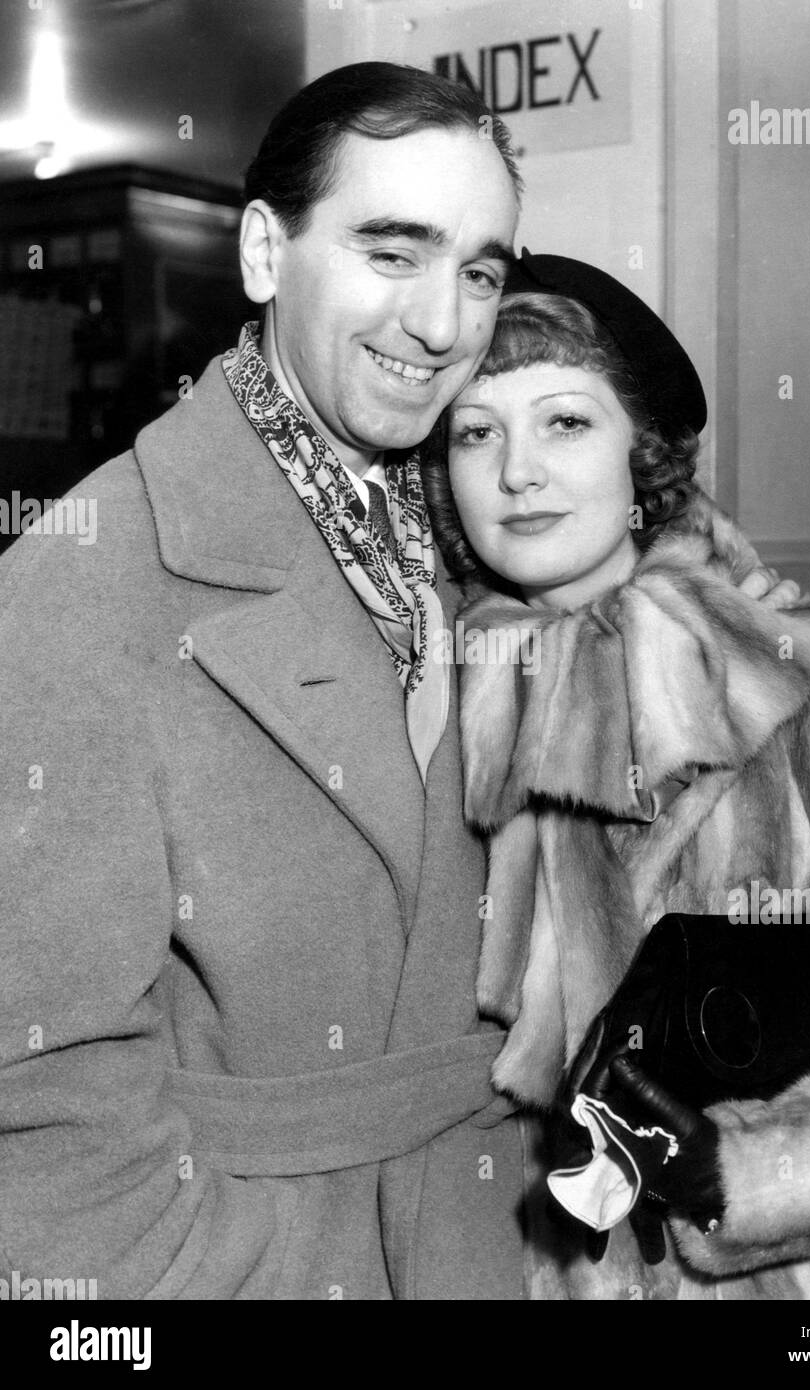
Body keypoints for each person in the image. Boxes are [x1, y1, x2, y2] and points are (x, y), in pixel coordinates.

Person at [0, 61, 529, 1301]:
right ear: (261, 253)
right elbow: (44, 1107)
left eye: (481, 271)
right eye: (391, 253)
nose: (443, 323)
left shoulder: (474, 532)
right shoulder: (81, 580)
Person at [422, 251, 810, 1299]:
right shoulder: (444, 715)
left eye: (566, 422)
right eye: (475, 432)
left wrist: (738, 1169)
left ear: (646, 452)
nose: (517, 472)